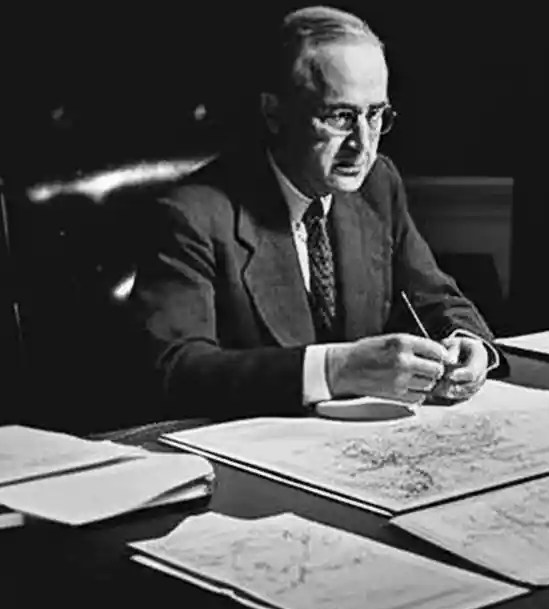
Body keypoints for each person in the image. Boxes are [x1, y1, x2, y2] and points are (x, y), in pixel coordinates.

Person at [126, 6, 504, 418]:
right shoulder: (193, 213)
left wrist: (466, 342)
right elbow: (173, 369)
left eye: (375, 114)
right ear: (274, 113)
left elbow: (432, 294)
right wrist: (335, 369)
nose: (363, 144)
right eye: (340, 117)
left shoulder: (378, 185)